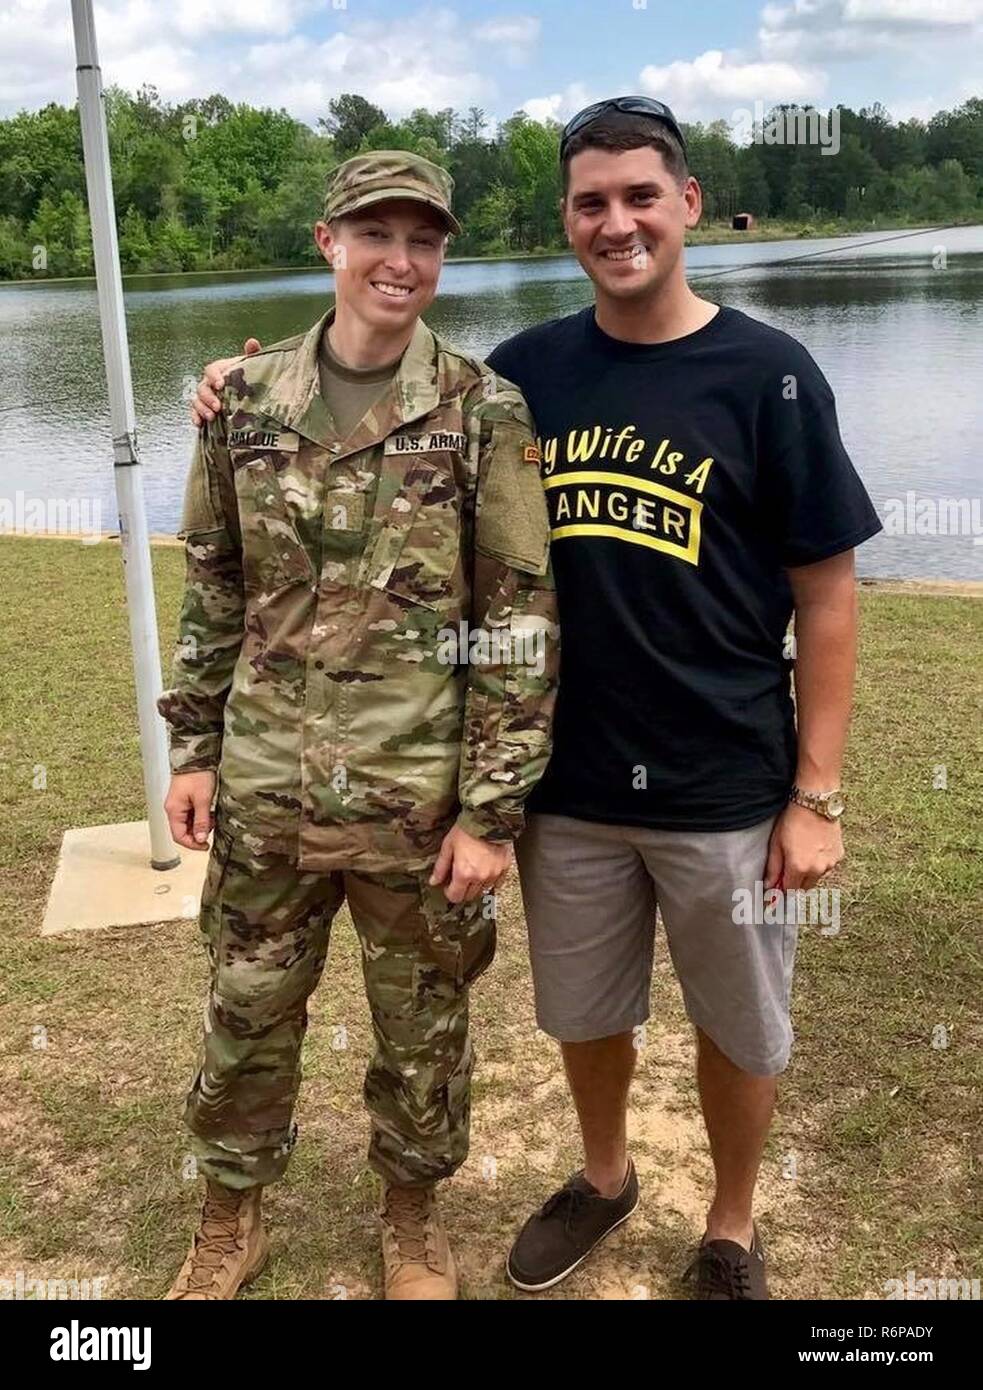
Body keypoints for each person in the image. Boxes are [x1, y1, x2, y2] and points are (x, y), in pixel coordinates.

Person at [189, 99, 883, 1301]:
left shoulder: (740, 378)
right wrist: (235, 377)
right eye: (589, 203)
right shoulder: (510, 378)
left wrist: (814, 792)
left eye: (638, 198)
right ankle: (594, 1177)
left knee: (720, 1022)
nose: (616, 224)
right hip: (517, 784)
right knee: (571, 1012)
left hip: (686, 773)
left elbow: (815, 593)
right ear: (328, 242)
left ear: (686, 207)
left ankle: (720, 1228)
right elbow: (239, 562)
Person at [159, 150, 559, 1301]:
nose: (400, 260)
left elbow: (517, 621)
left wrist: (491, 813)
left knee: (421, 1029)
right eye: (375, 235)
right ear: (329, 243)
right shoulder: (239, 401)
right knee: (246, 1010)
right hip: (267, 785)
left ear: (441, 257)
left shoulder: (484, 411)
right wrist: (192, 749)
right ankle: (230, 1220)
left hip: (414, 799)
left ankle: (412, 1221)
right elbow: (214, 584)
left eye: (423, 240)